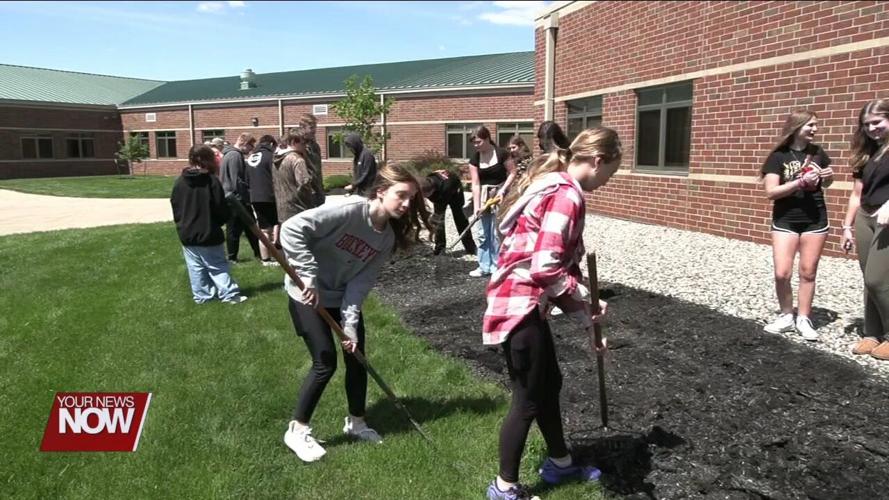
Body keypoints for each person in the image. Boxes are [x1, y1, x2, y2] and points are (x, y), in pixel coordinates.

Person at [482, 127, 622, 500]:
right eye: (611, 173)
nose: (607, 182)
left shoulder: (554, 186)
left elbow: (548, 271)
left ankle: (559, 464)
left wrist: (583, 315)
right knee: (527, 398)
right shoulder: (566, 196)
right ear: (598, 161)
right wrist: (585, 295)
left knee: (549, 386)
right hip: (520, 307)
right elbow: (546, 267)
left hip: (529, 305)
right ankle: (504, 488)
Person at [278, 163, 433, 463]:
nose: (405, 204)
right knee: (324, 361)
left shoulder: (385, 238)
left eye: (410, 199)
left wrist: (349, 326)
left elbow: (359, 284)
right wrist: (308, 275)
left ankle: (357, 422)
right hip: (306, 294)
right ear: (381, 191)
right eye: (401, 195)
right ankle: (297, 430)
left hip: (339, 297)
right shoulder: (350, 210)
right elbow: (292, 228)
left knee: (357, 356)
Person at [760, 110, 834, 340]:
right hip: (786, 219)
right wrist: (800, 182)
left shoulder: (818, 152)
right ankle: (785, 315)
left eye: (816, 125)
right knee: (782, 273)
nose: (815, 129)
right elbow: (771, 192)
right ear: (797, 127)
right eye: (810, 125)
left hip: (815, 218)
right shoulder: (778, 156)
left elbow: (827, 183)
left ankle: (803, 318)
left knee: (808, 272)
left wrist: (828, 176)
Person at [842, 98, 889, 360]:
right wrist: (847, 226)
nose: (872, 128)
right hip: (865, 216)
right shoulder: (868, 152)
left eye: (877, 122)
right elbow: (856, 193)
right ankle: (872, 334)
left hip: (887, 219)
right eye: (866, 125)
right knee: (868, 280)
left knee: (877, 278)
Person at [170, 145, 247, 304]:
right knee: (217, 265)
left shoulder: (179, 182)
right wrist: (221, 221)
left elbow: (175, 206)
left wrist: (181, 224)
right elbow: (221, 207)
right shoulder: (211, 181)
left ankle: (203, 296)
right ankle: (229, 295)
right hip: (208, 231)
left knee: (196, 267)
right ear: (209, 160)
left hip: (187, 232)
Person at [468, 125, 516, 277]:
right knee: (482, 232)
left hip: (500, 194)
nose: (476, 146)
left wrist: (503, 190)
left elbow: (513, 172)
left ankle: (497, 265)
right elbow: (475, 184)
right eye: (474, 143)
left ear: (487, 138)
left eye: (479, 142)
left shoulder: (502, 154)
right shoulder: (475, 158)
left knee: (496, 232)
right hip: (484, 196)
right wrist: (477, 207)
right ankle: (483, 266)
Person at [221, 132, 261, 263]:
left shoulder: (228, 154)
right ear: (244, 143)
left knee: (249, 227)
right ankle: (232, 257)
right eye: (250, 146)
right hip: (236, 199)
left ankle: (258, 253)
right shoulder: (235, 155)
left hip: (231, 197)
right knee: (236, 229)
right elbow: (236, 180)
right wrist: (245, 198)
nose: (250, 150)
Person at [420, 168, 477, 256]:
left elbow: (437, 212)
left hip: (455, 190)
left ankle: (470, 247)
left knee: (460, 219)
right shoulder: (427, 181)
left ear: (432, 190)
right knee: (439, 222)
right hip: (440, 191)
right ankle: (440, 248)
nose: (426, 198)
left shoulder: (447, 186)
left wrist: (433, 219)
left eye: (426, 196)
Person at [273, 127, 320, 225]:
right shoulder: (297, 160)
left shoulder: (276, 160)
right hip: (298, 210)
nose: (306, 146)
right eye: (303, 143)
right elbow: (304, 183)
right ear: (294, 142)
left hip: (282, 210)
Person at [246, 135, 279, 266]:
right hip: (270, 196)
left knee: (264, 229)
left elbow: (247, 179)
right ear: (271, 144)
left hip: (255, 197)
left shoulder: (251, 157)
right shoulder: (270, 157)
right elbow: (276, 177)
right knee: (276, 226)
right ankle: (278, 256)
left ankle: (265, 259)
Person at [298, 113, 325, 206]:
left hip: (318, 189)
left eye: (315, 127)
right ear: (302, 128)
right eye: (311, 127)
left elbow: (318, 169)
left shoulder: (315, 145)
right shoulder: (298, 146)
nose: (314, 131)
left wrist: (321, 188)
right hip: (307, 192)